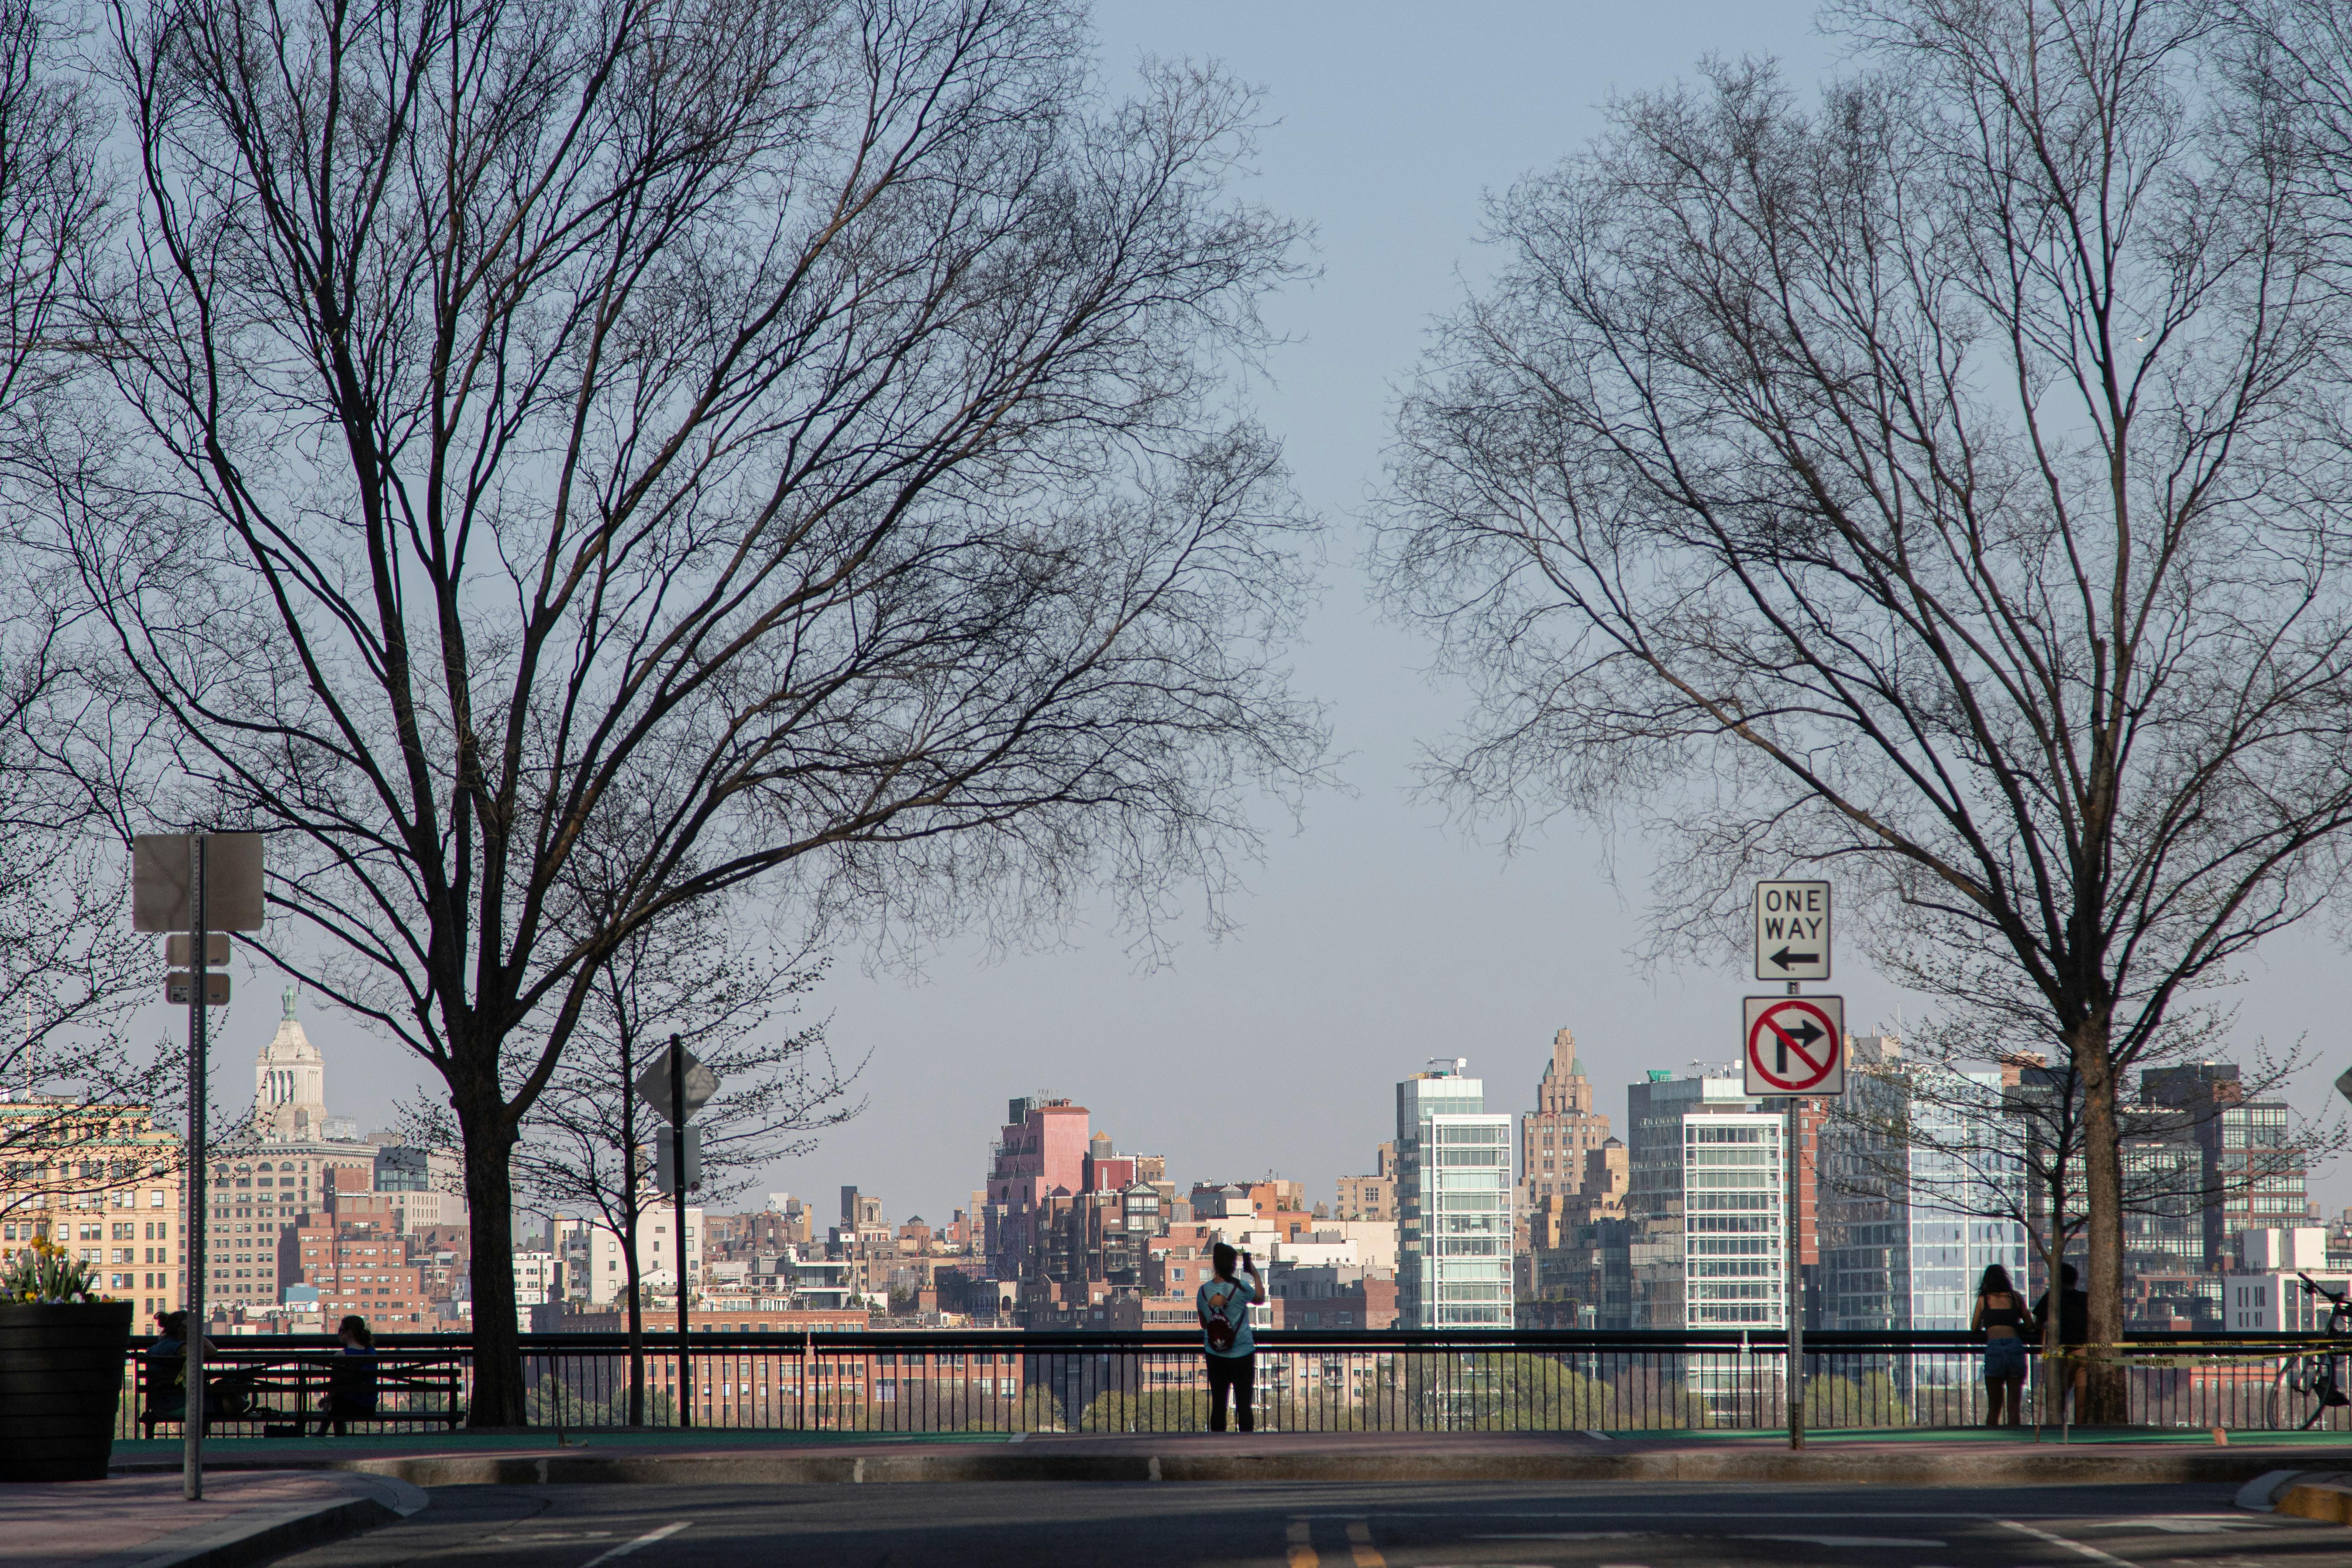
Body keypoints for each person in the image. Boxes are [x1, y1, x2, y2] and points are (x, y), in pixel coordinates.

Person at [1196, 1242, 1264, 1433]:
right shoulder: (1242, 1289)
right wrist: (1255, 1273)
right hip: (1243, 1353)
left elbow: (1204, 1324)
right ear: (1234, 1265)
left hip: (1215, 1354)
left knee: (1219, 1405)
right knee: (1244, 1406)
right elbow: (1260, 1299)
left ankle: (1218, 1450)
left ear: (1215, 1265)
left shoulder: (1202, 1292)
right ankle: (1246, 1447)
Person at [1971, 1263, 2034, 1427]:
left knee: (1994, 1407)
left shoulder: (1984, 1300)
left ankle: (1991, 1443)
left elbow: (1974, 1328)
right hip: (2015, 1347)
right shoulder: (2015, 1298)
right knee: (2014, 1407)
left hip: (1994, 1348)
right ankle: (2016, 1443)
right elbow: (2029, 1324)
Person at [2033, 1263, 2092, 1424]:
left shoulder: (2052, 1298)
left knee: (2059, 1399)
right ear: (2075, 1280)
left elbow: (2037, 1323)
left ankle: (2059, 1432)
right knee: (2082, 1402)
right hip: (2085, 1352)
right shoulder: (2085, 1298)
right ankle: (2081, 1435)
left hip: (2062, 1353)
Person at [311, 1315, 379, 1436]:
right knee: (335, 1403)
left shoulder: (341, 1355)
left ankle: (324, 1434)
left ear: (349, 1333)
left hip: (348, 1406)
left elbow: (335, 1385)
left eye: (341, 1331)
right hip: (369, 1407)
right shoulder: (371, 1352)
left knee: (334, 1405)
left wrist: (327, 1399)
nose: (338, 1334)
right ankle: (323, 1434)